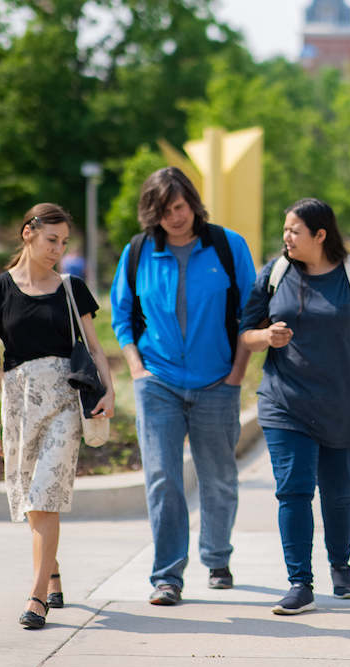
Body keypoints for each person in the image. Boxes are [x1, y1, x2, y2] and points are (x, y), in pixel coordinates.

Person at [239, 198, 350, 615]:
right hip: (284, 401)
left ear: (320, 235)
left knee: (339, 493)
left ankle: (340, 568)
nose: (286, 237)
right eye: (285, 229)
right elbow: (244, 334)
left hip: (345, 403)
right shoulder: (274, 274)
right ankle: (299, 582)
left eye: (294, 230)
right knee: (293, 490)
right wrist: (265, 337)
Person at [110, 167, 256, 606]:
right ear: (152, 216)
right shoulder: (138, 252)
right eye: (163, 211)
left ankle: (216, 557)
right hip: (158, 384)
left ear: (192, 201)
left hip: (218, 384)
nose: (175, 217)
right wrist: (137, 369)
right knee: (162, 480)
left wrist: (236, 374)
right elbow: (122, 318)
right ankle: (167, 576)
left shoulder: (228, 247)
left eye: (179, 206)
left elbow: (251, 315)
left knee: (219, 479)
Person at [0, 203, 115, 629]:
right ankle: (51, 572)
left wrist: (108, 392)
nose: (59, 249)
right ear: (28, 233)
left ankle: (37, 598)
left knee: (45, 495)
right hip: (17, 402)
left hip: (65, 402)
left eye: (65, 242)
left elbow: (94, 345)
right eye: (52, 239)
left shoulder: (72, 288)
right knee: (31, 500)